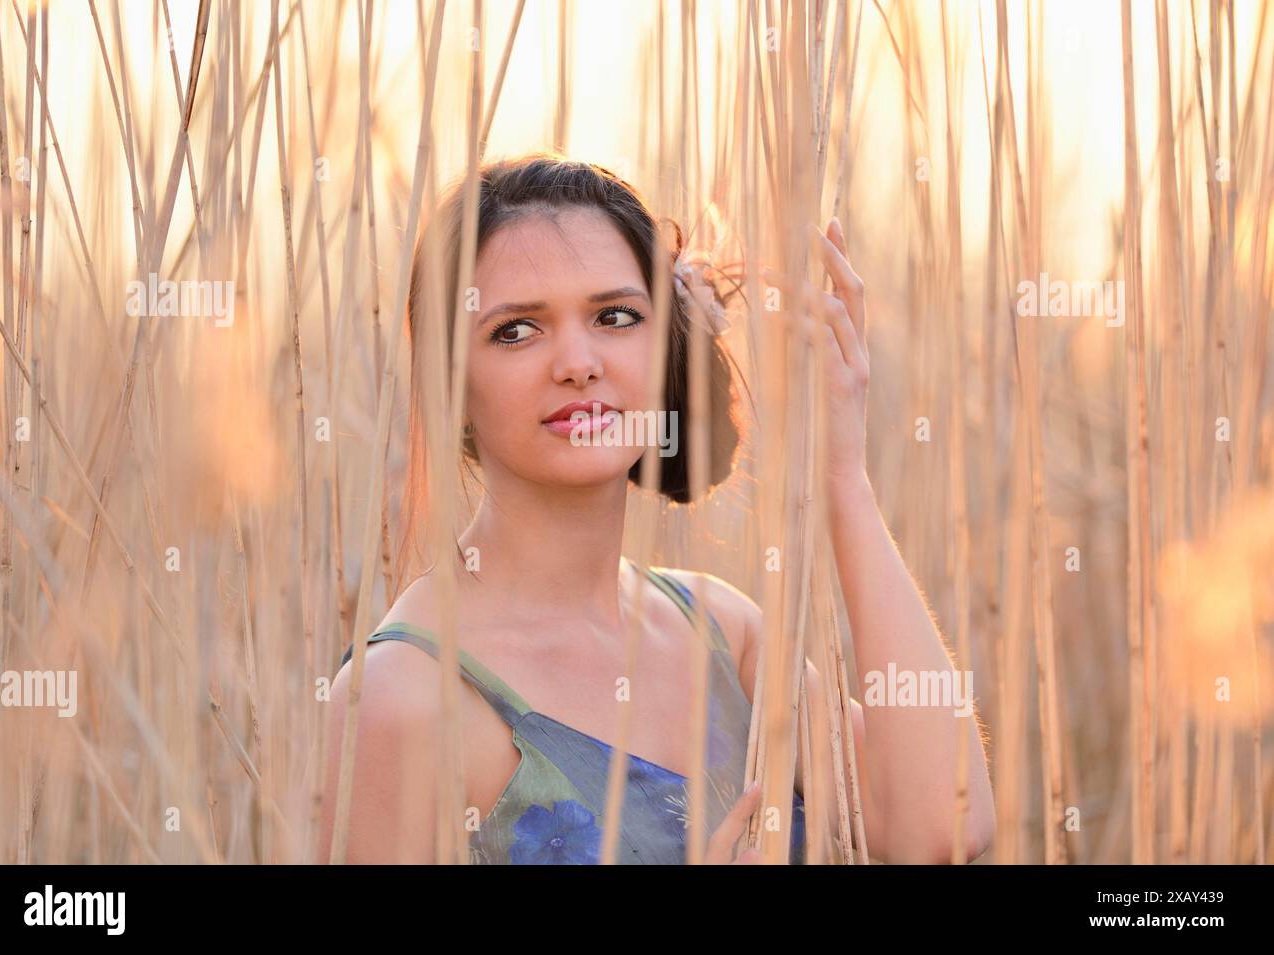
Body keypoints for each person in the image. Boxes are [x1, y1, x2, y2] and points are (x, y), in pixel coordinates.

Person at [318, 153, 996, 865]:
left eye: (615, 316)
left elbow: (941, 827)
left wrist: (841, 474)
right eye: (516, 330)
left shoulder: (722, 636)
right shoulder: (400, 700)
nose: (578, 361)